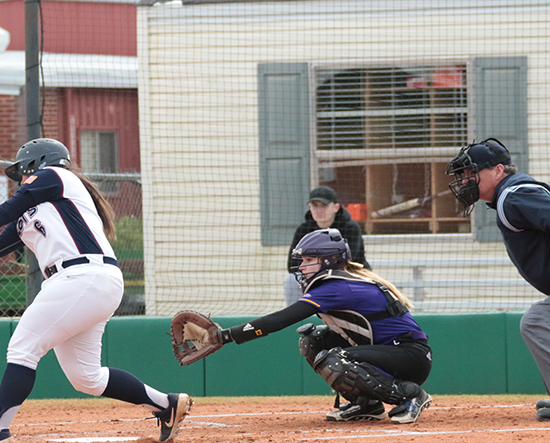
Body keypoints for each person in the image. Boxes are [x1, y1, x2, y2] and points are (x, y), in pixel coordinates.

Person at [0, 138, 192, 443]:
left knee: (23, 348)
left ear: (36, 164)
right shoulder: (31, 213)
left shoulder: (56, 177)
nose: (21, 180)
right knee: (85, 377)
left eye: (22, 173)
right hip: (82, 284)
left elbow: (5, 209)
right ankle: (166, 404)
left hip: (82, 277)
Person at [214, 228, 433, 423]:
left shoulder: (336, 287)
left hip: (410, 357)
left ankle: (410, 394)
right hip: (391, 352)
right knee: (313, 340)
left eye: (309, 260)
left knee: (336, 359)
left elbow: (279, 320)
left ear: (329, 260)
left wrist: (225, 336)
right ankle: (366, 404)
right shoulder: (338, 282)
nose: (302, 266)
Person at [446, 138, 550, 422]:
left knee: (537, 321)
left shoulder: (513, 196)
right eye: (464, 175)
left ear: (498, 170)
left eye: (472, 173)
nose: (466, 180)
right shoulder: (512, 195)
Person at [284, 186, 369, 304]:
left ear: (336, 207)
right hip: (313, 277)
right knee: (291, 280)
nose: (319, 210)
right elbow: (292, 264)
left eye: (323, 206)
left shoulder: (350, 227)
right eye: (314, 206)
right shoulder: (303, 229)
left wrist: (314, 265)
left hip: (349, 275)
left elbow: (347, 262)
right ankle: (296, 320)